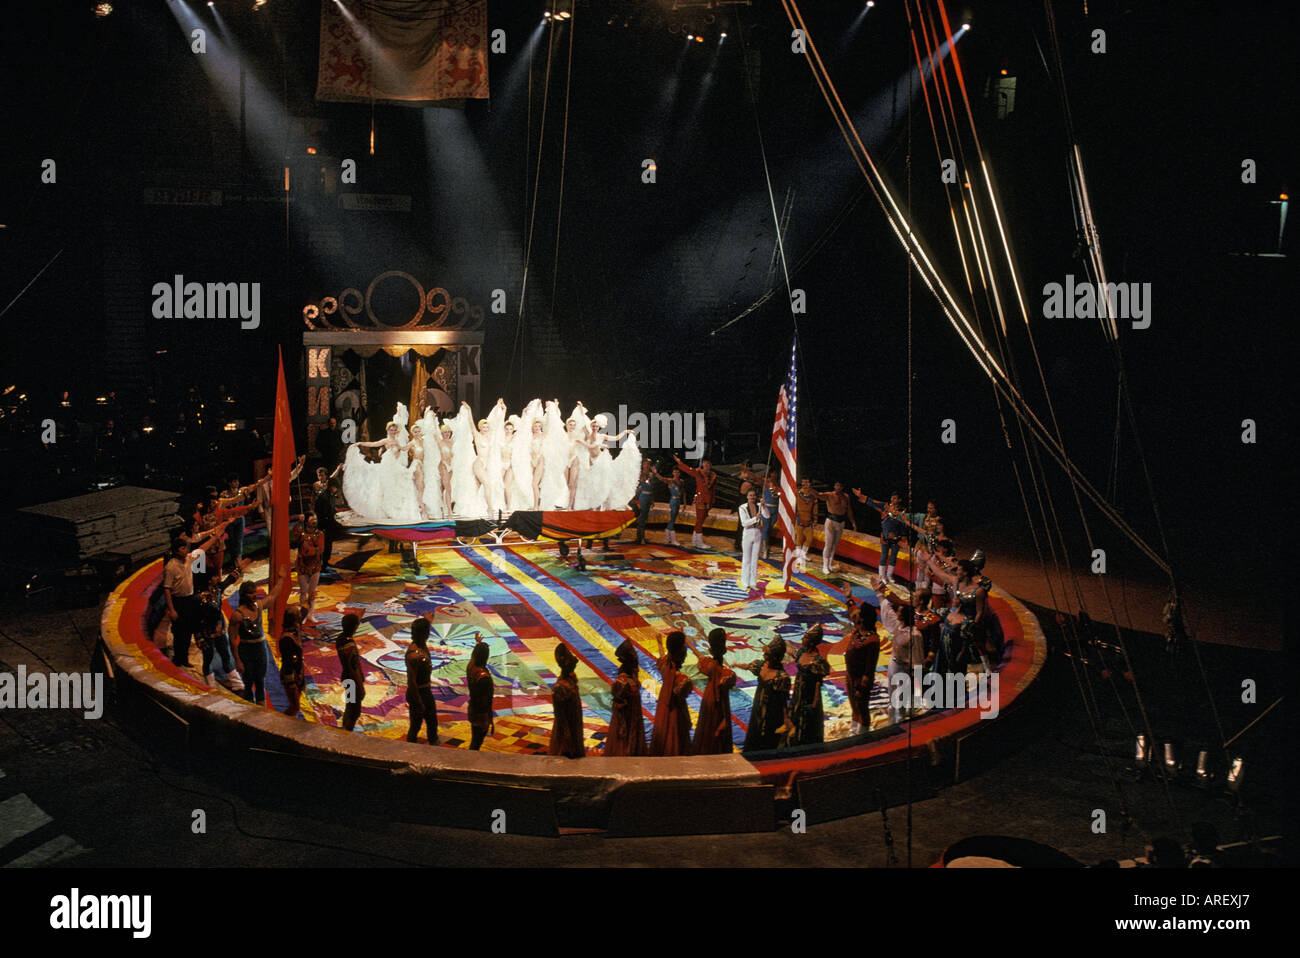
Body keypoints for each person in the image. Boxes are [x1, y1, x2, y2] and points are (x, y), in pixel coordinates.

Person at [163, 523, 230, 668]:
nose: (186, 550)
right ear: (176, 551)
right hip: (178, 601)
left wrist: (217, 536)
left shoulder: (188, 559)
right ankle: (178, 658)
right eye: (182, 548)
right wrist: (171, 609)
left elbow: (202, 548)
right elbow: (167, 589)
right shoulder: (171, 567)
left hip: (189, 600)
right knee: (179, 632)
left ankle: (184, 658)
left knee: (188, 631)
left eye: (186, 548)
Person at [926, 556, 989, 702]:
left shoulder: (978, 591)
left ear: (966, 572)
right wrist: (928, 560)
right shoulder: (956, 583)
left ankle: (955, 696)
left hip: (962, 629)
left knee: (956, 662)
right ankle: (938, 694)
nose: (956, 572)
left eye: (959, 570)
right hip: (950, 625)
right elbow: (941, 574)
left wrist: (971, 627)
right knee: (942, 660)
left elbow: (980, 612)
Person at [228, 571, 287, 706]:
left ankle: (262, 710)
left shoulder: (258, 606)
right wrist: (237, 661)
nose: (254, 595)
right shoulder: (237, 616)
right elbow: (232, 639)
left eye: (255, 592)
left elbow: (273, 596)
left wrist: (282, 579)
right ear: (243, 595)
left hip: (260, 650)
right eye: (251, 593)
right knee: (248, 683)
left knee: (260, 681)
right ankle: (249, 712)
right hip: (246, 651)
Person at [879, 582, 924, 724]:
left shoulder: (914, 634)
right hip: (893, 664)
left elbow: (917, 658)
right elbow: (887, 611)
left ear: (904, 615)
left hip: (904, 668)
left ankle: (901, 720)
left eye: (899, 611)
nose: (896, 612)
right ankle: (892, 720)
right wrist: (879, 592)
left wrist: (915, 674)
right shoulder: (898, 626)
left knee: (902, 696)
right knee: (891, 694)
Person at [738, 636, 791, 752]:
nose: (763, 656)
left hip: (772, 711)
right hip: (759, 706)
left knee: (768, 731)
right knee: (756, 727)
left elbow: (783, 700)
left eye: (766, 654)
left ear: (774, 657)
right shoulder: (761, 666)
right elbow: (747, 666)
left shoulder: (781, 677)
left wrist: (786, 718)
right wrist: (736, 665)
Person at [689, 628, 736, 754]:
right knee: (719, 723)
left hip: (709, 696)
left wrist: (687, 642)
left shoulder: (708, 665)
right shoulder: (729, 674)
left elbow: (699, 655)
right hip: (720, 700)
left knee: (706, 723)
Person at [649, 631, 695, 756]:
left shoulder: (664, 665)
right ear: (680, 652)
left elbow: (663, 655)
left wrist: (659, 643)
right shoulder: (683, 680)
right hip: (676, 712)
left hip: (663, 707)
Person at [194, 578, 242, 691]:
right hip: (206, 634)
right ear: (209, 580)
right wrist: (199, 638)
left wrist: (239, 568)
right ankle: (210, 686)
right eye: (215, 576)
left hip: (219, 631)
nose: (217, 578)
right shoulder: (198, 598)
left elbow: (229, 580)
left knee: (226, 655)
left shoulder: (217, 590)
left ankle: (237, 684)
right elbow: (194, 620)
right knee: (208, 658)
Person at [788, 624, 831, 746]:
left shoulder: (818, 661)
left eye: (805, 637)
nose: (802, 639)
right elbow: (792, 651)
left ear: (811, 642)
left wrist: (814, 703)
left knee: (807, 721)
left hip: (809, 695)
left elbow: (818, 684)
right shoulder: (801, 652)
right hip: (798, 693)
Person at [843, 598, 880, 734]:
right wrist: (849, 598)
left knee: (861, 706)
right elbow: (853, 613)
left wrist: (861, 687)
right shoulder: (859, 629)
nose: (857, 616)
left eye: (860, 615)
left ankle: (863, 733)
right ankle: (854, 730)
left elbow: (870, 667)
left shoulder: (872, 640)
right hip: (850, 676)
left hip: (861, 680)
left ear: (864, 618)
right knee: (853, 705)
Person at [605, 639, 647, 756]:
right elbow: (618, 700)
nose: (636, 658)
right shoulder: (622, 680)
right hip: (626, 719)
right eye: (633, 655)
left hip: (633, 716)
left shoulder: (632, 676)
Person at [405, 616, 439, 744]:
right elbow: (411, 681)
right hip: (419, 693)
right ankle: (412, 746)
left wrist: (428, 620)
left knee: (432, 722)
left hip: (425, 691)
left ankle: (432, 744)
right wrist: (418, 701)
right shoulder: (414, 655)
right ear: (424, 634)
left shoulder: (421, 643)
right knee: (417, 724)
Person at [548, 642, 585, 757]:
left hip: (574, 725)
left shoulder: (570, 680)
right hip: (567, 728)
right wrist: (566, 733)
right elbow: (560, 717)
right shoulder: (561, 687)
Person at [673, 455, 718, 549]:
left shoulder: (713, 475)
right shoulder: (699, 473)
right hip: (700, 499)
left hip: (708, 500)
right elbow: (689, 470)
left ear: (711, 465)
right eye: (705, 463)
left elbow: (713, 489)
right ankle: (699, 542)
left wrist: (712, 501)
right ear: (702, 464)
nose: (706, 465)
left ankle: (695, 541)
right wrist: (680, 462)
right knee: (700, 520)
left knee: (701, 520)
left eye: (708, 464)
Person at [817, 482, 857, 574]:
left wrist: (853, 522)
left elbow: (849, 510)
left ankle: (829, 564)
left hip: (841, 522)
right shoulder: (829, 495)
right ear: (834, 486)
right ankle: (825, 566)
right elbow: (818, 495)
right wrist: (810, 489)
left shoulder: (846, 497)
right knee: (828, 544)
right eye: (837, 485)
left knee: (834, 545)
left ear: (842, 487)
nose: (838, 487)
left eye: (840, 485)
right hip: (830, 521)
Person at [335, 613, 365, 731]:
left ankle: (345, 728)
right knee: (354, 711)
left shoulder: (341, 638)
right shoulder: (349, 645)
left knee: (350, 705)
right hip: (353, 681)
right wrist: (360, 685)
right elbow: (352, 668)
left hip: (347, 677)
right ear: (355, 627)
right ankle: (346, 732)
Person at [295, 513, 325, 623]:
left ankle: (310, 614)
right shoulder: (301, 534)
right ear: (306, 521)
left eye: (315, 519)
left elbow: (320, 549)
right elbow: (294, 532)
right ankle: (303, 615)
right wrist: (299, 521)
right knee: (303, 592)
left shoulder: (319, 534)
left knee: (312, 592)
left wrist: (309, 550)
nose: (314, 521)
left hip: (315, 567)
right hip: (302, 567)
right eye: (312, 519)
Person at [737, 488, 769, 590]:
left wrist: (764, 505)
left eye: (754, 495)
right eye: (750, 495)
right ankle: (745, 582)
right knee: (747, 559)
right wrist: (755, 518)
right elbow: (744, 523)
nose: (752, 497)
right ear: (747, 497)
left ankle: (753, 583)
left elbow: (767, 516)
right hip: (748, 533)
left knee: (755, 559)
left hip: (757, 533)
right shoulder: (742, 507)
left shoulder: (759, 506)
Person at [466, 637, 494, 750]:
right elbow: (484, 700)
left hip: (473, 709)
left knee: (475, 739)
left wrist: (478, 643)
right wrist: (487, 719)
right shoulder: (483, 677)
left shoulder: (471, 667)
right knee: (476, 742)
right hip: (481, 714)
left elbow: (474, 657)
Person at [278, 607, 306, 717]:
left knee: (296, 702)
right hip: (291, 675)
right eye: (298, 616)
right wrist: (291, 683)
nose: (300, 617)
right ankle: (284, 723)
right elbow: (287, 662)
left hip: (298, 671)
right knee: (295, 706)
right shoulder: (286, 639)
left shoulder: (295, 630)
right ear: (294, 620)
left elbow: (305, 610)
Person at [314, 478, 344, 569]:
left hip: (328, 523)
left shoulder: (330, 495)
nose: (336, 490)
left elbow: (331, 508)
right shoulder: (324, 497)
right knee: (324, 545)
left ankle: (326, 562)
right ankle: (322, 564)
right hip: (324, 525)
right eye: (335, 488)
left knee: (328, 544)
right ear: (332, 487)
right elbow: (321, 512)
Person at [652, 465, 684, 545]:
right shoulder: (670, 481)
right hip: (673, 501)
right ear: (673, 473)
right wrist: (656, 473)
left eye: (678, 472)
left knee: (673, 519)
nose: (676, 473)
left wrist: (685, 503)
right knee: (672, 519)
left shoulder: (682, 482)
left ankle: (667, 538)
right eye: (675, 472)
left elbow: (684, 493)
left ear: (679, 473)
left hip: (678, 501)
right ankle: (673, 539)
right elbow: (662, 479)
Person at [792, 478, 818, 573]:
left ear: (810, 483)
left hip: (808, 519)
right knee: (798, 538)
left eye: (807, 482)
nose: (805, 484)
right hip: (799, 518)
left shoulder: (813, 495)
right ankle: (799, 557)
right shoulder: (797, 493)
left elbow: (815, 508)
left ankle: (803, 554)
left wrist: (815, 519)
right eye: (803, 482)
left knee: (810, 538)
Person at [631, 461, 657, 545]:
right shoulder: (640, 473)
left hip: (649, 497)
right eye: (645, 464)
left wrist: (652, 500)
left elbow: (652, 487)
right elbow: (636, 485)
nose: (647, 465)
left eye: (648, 464)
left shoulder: (651, 474)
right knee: (641, 517)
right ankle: (639, 537)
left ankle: (642, 536)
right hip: (642, 496)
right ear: (643, 465)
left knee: (645, 517)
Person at [760, 472, 779, 559]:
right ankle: (764, 549)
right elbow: (755, 477)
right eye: (771, 477)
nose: (772, 478)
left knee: (770, 529)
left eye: (774, 476)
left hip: (775, 510)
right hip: (766, 508)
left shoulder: (778, 488)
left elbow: (778, 496)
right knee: (765, 528)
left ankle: (766, 545)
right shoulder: (766, 484)